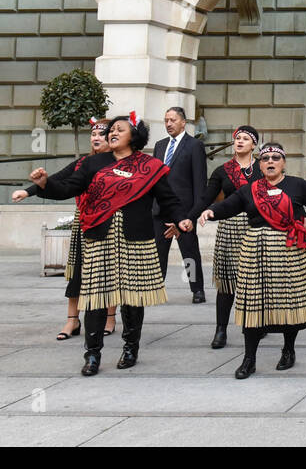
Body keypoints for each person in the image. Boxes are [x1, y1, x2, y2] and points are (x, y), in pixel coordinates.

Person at [30, 113, 190, 376]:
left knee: (133, 297)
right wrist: (44, 185)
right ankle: (92, 354)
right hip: (99, 238)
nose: (112, 133)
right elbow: (69, 186)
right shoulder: (95, 163)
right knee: (95, 297)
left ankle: (130, 348)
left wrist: (182, 219)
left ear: (134, 136)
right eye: (111, 130)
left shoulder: (149, 165)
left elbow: (168, 199)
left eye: (119, 129)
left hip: (135, 238)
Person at [199, 142, 306, 377]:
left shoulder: (297, 186)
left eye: (275, 158)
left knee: (289, 303)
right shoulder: (250, 189)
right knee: (253, 304)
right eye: (265, 158)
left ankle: (288, 350)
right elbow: (229, 206)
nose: (270, 161)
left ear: (284, 163)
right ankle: (249, 359)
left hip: (290, 251)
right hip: (255, 249)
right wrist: (212, 212)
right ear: (260, 164)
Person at [13, 119, 114, 341]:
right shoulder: (83, 163)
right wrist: (29, 191)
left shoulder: (118, 164)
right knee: (78, 270)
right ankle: (72, 320)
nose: (95, 138)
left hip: (109, 221)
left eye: (101, 134)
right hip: (83, 222)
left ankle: (110, 316)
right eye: (93, 134)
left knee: (108, 271)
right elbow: (57, 179)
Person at [188, 125, 259, 349]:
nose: (239, 142)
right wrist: (188, 217)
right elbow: (205, 198)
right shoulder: (222, 171)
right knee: (227, 282)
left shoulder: (263, 168)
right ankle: (221, 329)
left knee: (256, 280)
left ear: (254, 145)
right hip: (229, 226)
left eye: (245, 139)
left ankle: (257, 323)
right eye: (237, 138)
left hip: (256, 226)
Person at [152, 106, 207, 304]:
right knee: (158, 253)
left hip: (184, 211)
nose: (168, 124)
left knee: (189, 253)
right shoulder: (159, 146)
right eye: (166, 120)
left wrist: (193, 215)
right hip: (160, 210)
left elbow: (200, 183)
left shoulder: (194, 146)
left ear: (183, 122)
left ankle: (197, 290)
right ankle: (156, 289)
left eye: (173, 120)